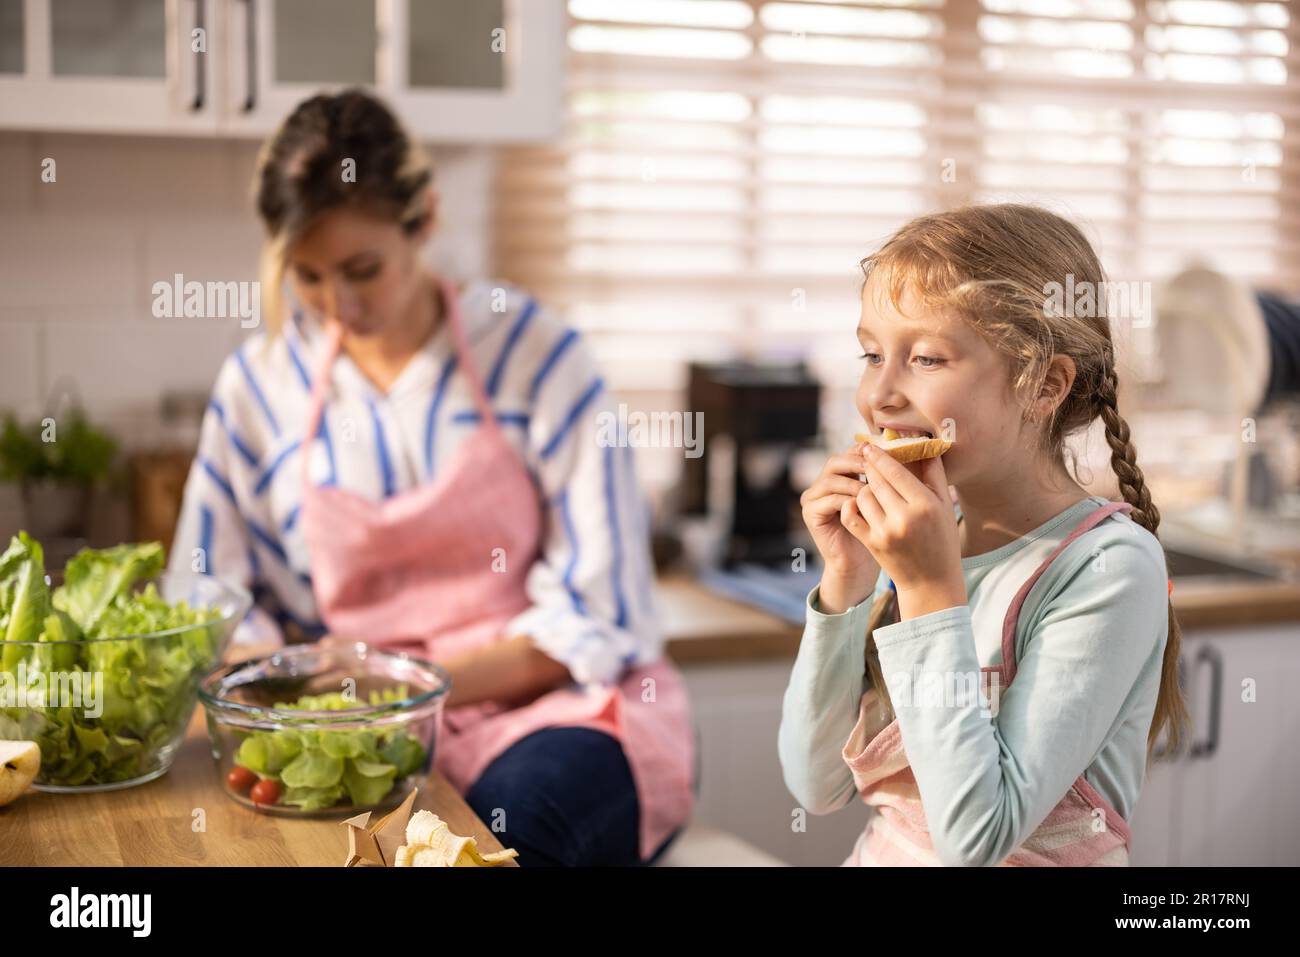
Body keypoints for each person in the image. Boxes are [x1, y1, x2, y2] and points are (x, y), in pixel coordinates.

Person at [169, 88, 693, 866]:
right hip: (356, 736)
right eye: (307, 277)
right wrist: (305, 693)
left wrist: (395, 684)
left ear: (425, 221)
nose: (337, 306)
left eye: (362, 269)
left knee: (502, 837)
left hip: (555, 714)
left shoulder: (538, 358)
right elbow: (208, 606)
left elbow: (602, 611)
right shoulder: (259, 387)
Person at [780, 203, 1186, 866]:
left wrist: (930, 587)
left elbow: (978, 836)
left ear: (1044, 384)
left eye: (927, 358)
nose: (879, 394)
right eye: (873, 354)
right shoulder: (924, 548)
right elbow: (815, 782)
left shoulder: (1109, 568)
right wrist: (847, 582)